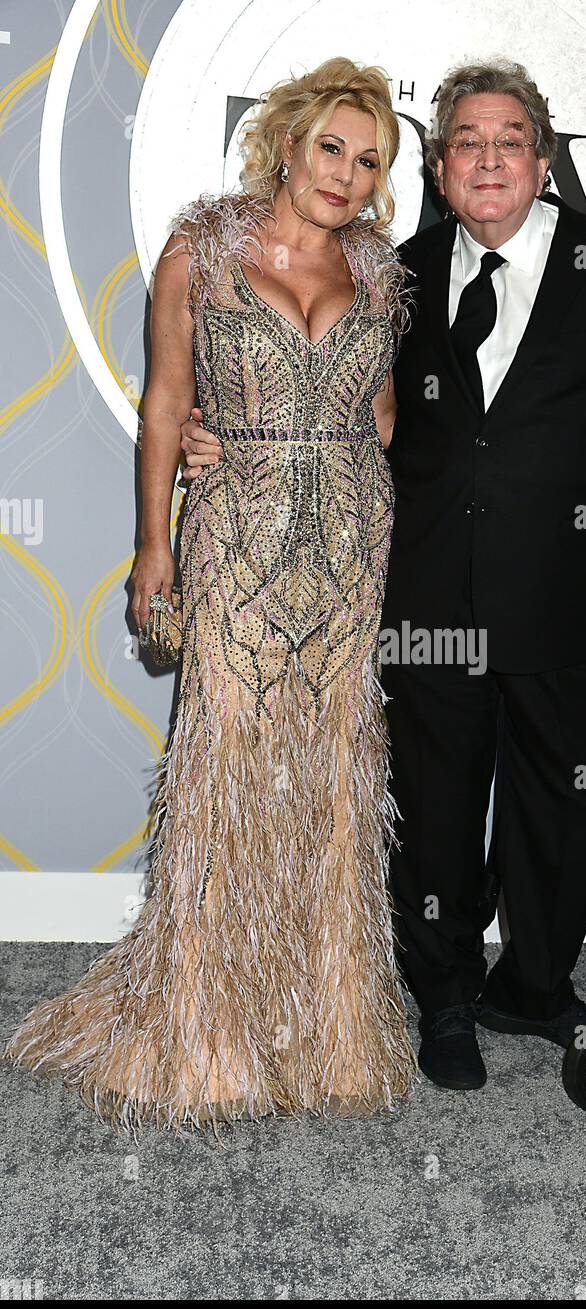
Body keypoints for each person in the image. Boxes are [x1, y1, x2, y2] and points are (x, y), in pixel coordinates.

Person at [178, 59, 586, 1096]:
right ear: (441, 171)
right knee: (434, 809)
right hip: (425, 596)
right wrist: (211, 434)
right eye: (465, 146)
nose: (488, 160)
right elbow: (336, 407)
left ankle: (533, 985)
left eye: (509, 141)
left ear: (544, 161)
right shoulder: (391, 272)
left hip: (557, 593)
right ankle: (441, 998)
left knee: (561, 803)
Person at [3, 57, 418, 1134]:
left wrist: (334, 459)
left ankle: (324, 1025)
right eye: (330, 145)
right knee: (227, 770)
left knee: (331, 771)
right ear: (285, 141)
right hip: (234, 532)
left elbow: (377, 413)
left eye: (368, 159)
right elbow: (164, 405)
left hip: (347, 545)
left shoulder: (378, 271)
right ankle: (208, 1028)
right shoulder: (203, 247)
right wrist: (155, 547)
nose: (345, 173)